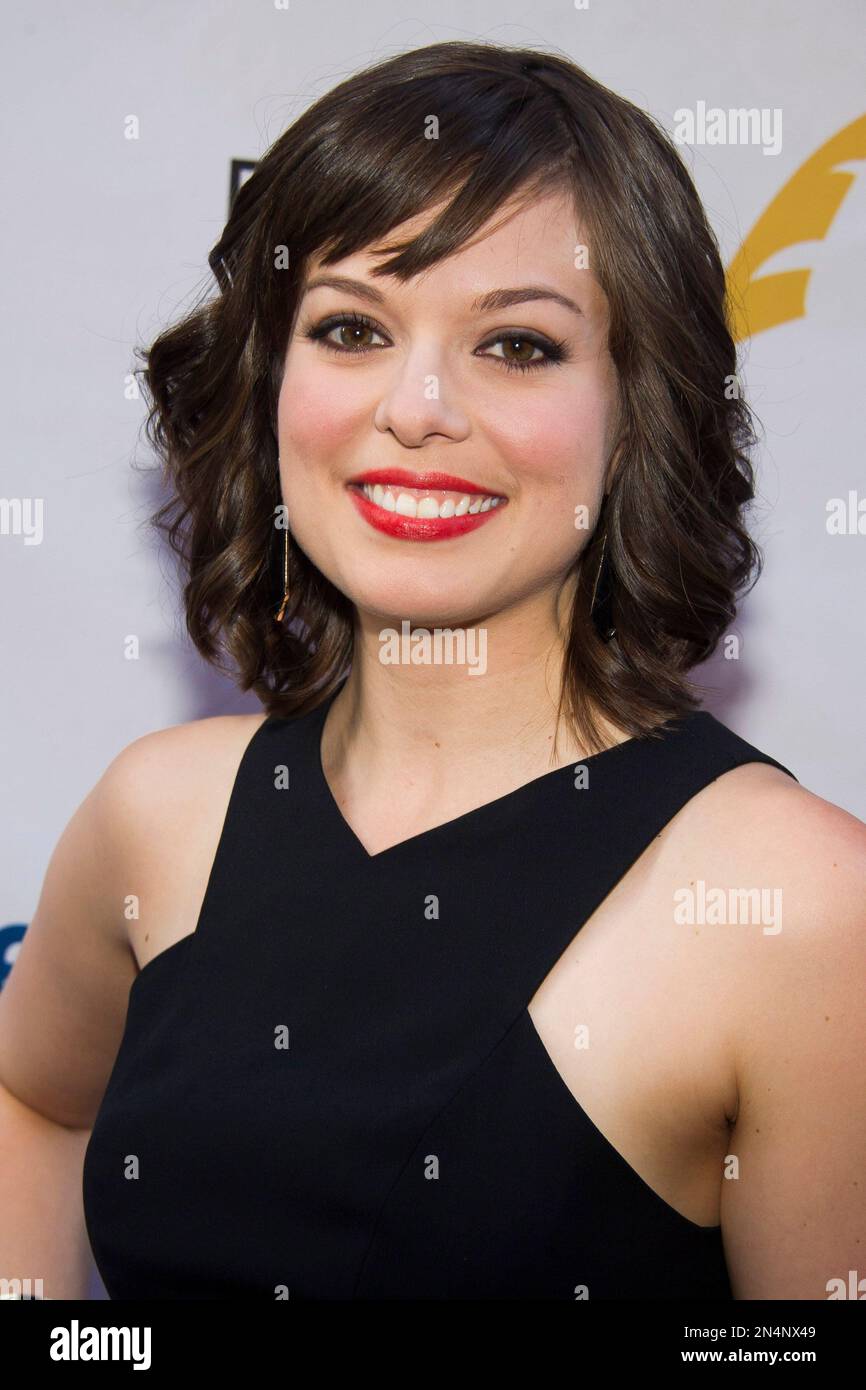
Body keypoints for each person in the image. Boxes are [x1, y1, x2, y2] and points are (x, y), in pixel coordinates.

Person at [2, 40, 864, 1302]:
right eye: (350, 326)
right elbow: (32, 1095)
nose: (415, 405)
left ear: (638, 412)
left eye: (515, 345)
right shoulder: (158, 815)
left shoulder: (799, 907)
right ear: (270, 378)